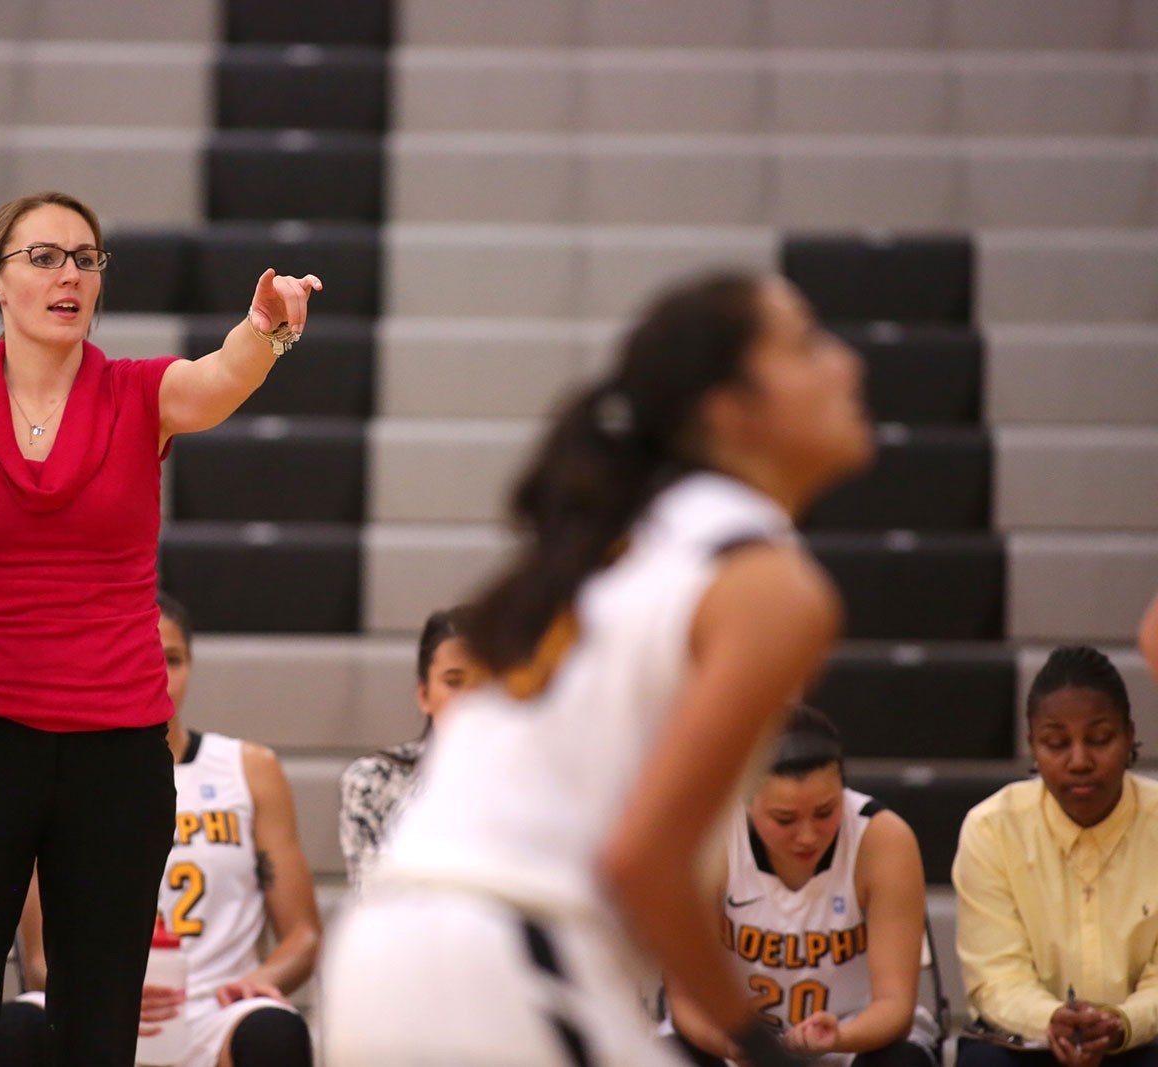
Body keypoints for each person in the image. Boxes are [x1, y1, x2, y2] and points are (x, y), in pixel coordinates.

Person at [320, 270, 875, 1066]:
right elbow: (641, 860)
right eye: (805, 344)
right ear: (730, 409)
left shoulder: (618, 542)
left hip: (392, 952)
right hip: (509, 952)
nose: (845, 364)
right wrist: (759, 1041)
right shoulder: (768, 585)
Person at [0, 190, 323, 1066]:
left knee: (99, 1018)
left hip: (118, 752)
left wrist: (267, 327)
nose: (69, 274)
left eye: (85, 257)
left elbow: (221, 374)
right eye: (43, 257)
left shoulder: (140, 393)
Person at [0, 592, 320, 1067]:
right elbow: (39, 963)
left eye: (172, 660)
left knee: (273, 1033)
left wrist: (262, 978)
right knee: (19, 1026)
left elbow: (303, 935)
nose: (158, 677)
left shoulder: (247, 769)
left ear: (191, 664)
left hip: (216, 1013)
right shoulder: (55, 775)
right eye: (141, 658)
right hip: (93, 1000)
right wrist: (107, 990)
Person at [664, 705, 938, 1067]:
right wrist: (735, 1046)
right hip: (733, 1041)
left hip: (853, 1039)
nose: (807, 835)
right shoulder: (710, 837)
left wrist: (838, 1037)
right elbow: (685, 1001)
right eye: (785, 819)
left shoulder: (884, 838)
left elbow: (895, 1005)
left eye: (826, 811)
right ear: (745, 797)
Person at [952, 645, 1158, 1067]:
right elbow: (997, 977)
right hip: (1032, 1039)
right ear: (1032, 746)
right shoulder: (991, 828)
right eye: (1056, 743)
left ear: (1130, 736)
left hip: (1142, 1039)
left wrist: (1121, 1021)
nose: (1079, 761)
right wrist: (1052, 1020)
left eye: (1100, 739)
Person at [338, 606, 478, 889]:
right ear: (424, 694)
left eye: (484, 682)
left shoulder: (539, 783)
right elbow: (374, 902)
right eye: (454, 682)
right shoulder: (372, 781)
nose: (469, 699)